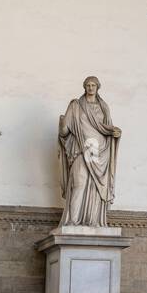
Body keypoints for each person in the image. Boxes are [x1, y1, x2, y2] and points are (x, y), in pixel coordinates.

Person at [59, 76, 121, 227]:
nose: (90, 87)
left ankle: (93, 221)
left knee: (95, 187)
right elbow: (64, 131)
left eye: (93, 85)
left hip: (99, 153)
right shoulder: (76, 106)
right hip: (81, 150)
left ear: (98, 87)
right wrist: (62, 122)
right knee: (79, 183)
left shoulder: (103, 107)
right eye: (88, 85)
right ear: (84, 87)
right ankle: (73, 221)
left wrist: (115, 133)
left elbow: (107, 128)